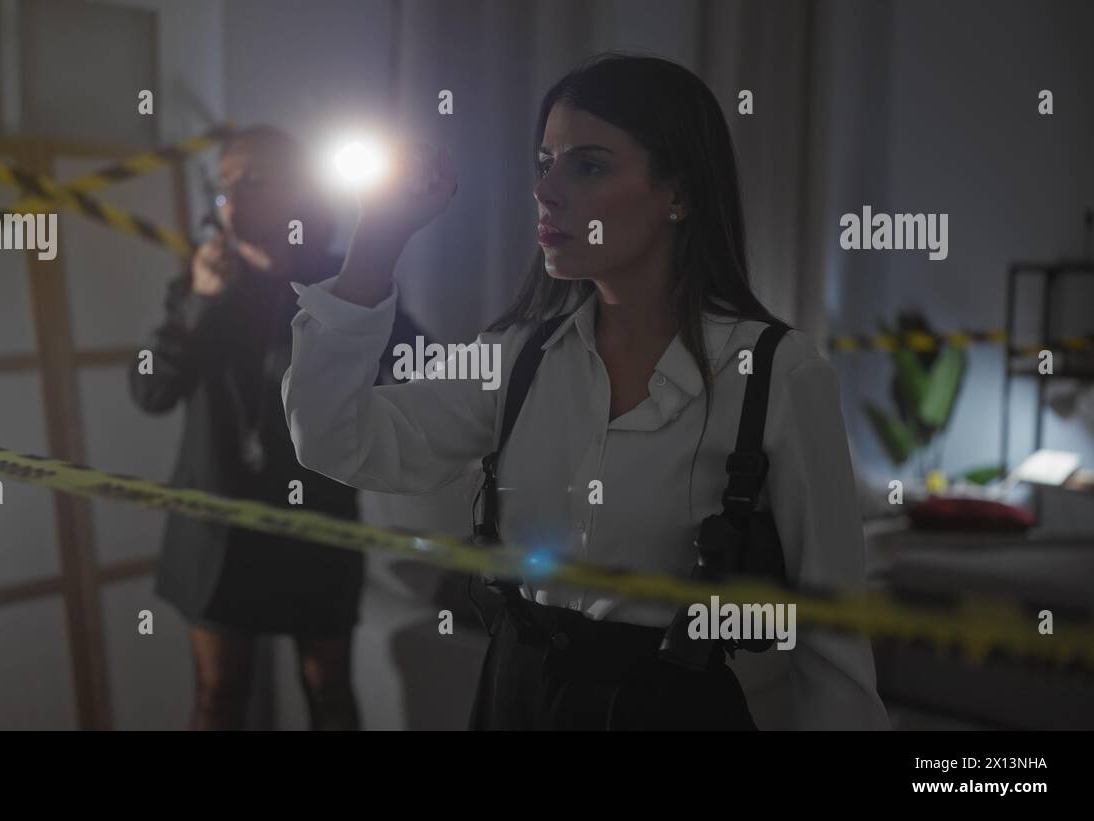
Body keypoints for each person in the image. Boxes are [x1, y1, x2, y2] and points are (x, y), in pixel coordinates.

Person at [282, 54, 890, 729]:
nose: (548, 190)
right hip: (514, 694)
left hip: (670, 710)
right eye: (544, 162)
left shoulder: (778, 372)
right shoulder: (518, 357)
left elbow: (833, 638)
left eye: (589, 166)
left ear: (678, 193)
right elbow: (333, 435)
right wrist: (376, 242)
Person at [129, 124, 425, 730]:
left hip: (314, 517)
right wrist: (200, 303)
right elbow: (150, 390)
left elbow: (421, 369)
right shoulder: (202, 283)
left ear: (298, 191)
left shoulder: (345, 282)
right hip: (217, 519)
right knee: (219, 694)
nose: (232, 200)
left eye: (253, 182)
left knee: (328, 688)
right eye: (224, 185)